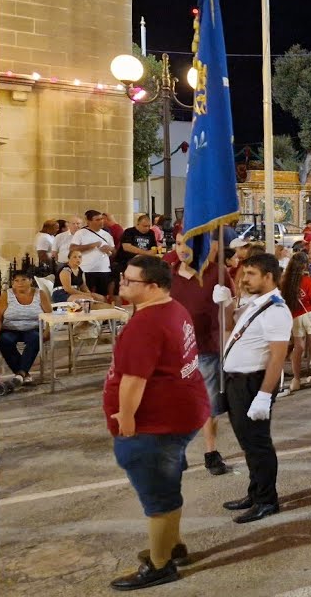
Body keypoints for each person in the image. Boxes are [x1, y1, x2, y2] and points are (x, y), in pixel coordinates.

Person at [105, 256, 210, 590]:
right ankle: (172, 545)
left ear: (152, 286)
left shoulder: (146, 324)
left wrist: (126, 416)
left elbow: (133, 379)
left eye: (129, 280)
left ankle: (160, 565)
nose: (122, 283)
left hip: (156, 424)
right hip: (182, 413)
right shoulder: (172, 308)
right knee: (168, 483)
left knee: (158, 497)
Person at [218, 253, 292, 524]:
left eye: (251, 274)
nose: (243, 279)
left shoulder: (276, 310)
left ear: (268, 277)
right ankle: (255, 492)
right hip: (237, 381)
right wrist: (225, 305)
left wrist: (263, 395)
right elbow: (229, 329)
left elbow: (277, 357)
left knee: (258, 444)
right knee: (248, 443)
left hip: (253, 383)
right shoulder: (255, 304)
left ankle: (266, 500)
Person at [169, 241, 233, 476]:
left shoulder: (217, 272)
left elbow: (231, 310)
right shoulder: (168, 273)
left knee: (208, 405)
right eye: (178, 243)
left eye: (187, 243)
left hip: (207, 347)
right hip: (176, 350)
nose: (181, 248)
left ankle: (211, 452)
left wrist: (226, 301)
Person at [280, 252, 311, 392]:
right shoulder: (308, 280)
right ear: (304, 265)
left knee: (298, 348)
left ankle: (296, 379)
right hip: (310, 315)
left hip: (295, 317)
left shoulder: (285, 283)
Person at [0, 272, 50, 384]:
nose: (20, 283)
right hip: (10, 329)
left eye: (23, 280)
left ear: (31, 281)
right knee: (3, 340)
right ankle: (23, 374)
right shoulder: (7, 294)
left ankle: (20, 374)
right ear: (13, 283)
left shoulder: (40, 294)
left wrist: (47, 331)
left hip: (33, 328)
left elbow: (49, 314)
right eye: (16, 280)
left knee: (36, 338)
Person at [71, 210, 117, 297]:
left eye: (102, 219)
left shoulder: (106, 234)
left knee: (103, 296)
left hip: (104, 269)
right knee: (87, 295)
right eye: (97, 220)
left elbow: (114, 252)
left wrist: (110, 249)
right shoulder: (81, 233)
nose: (101, 221)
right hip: (86, 269)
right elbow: (73, 248)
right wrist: (92, 245)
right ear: (89, 221)